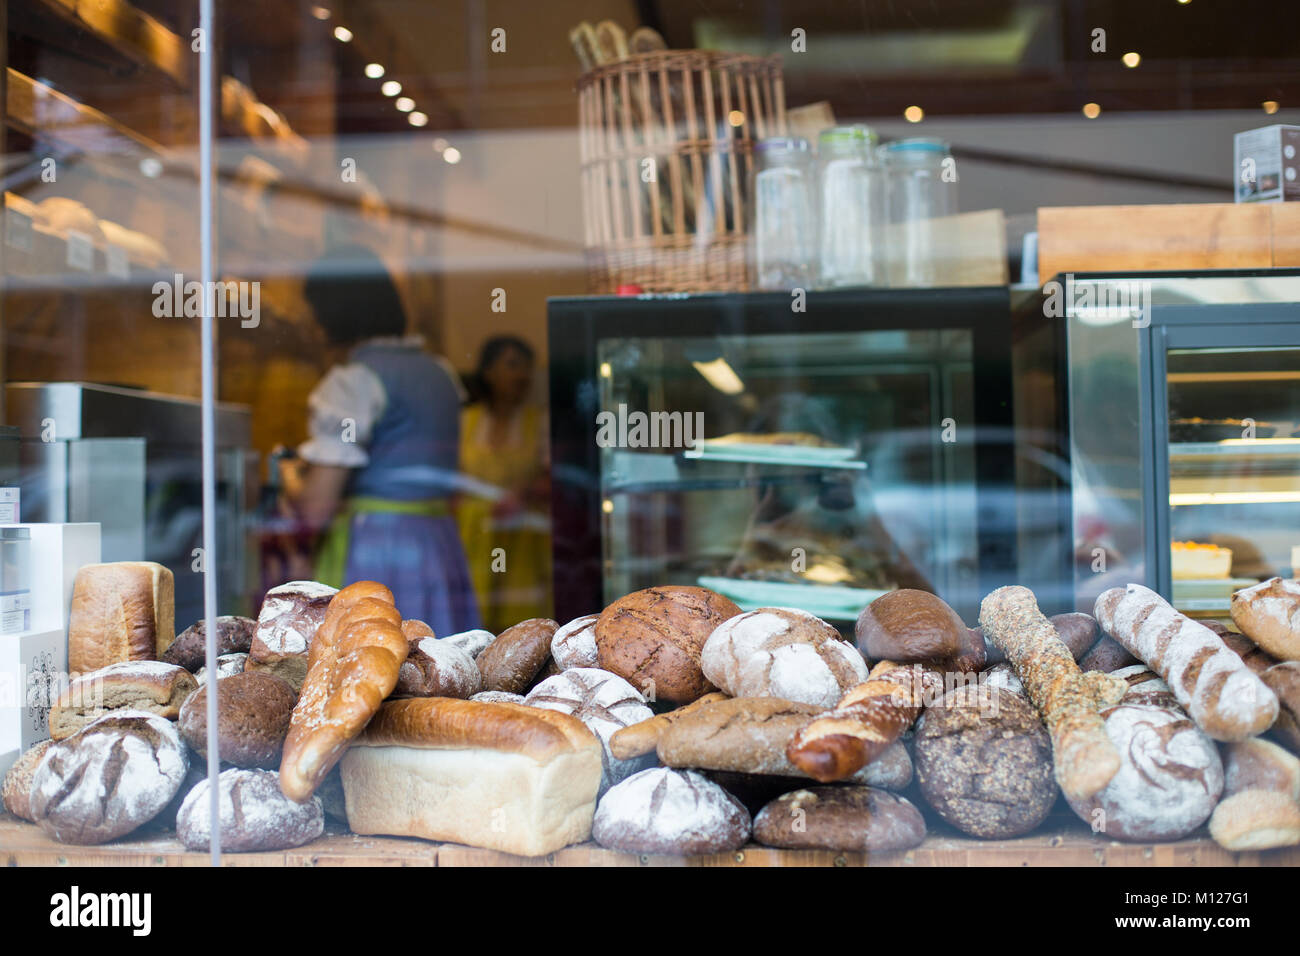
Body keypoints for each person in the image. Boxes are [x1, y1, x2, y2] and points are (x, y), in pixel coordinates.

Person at [279, 244, 480, 634]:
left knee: (376, 656)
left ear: (329, 313)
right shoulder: (439, 373)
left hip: (378, 547)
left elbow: (316, 509)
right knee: (435, 662)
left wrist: (291, 480)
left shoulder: (352, 383)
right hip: (437, 542)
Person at [456, 336, 553, 632]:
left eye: (527, 368)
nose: (521, 375)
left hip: (526, 539)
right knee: (474, 625)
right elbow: (448, 480)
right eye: (512, 365)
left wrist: (525, 492)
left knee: (524, 626)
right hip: (473, 538)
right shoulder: (464, 421)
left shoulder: (541, 423)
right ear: (488, 371)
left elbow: (556, 479)